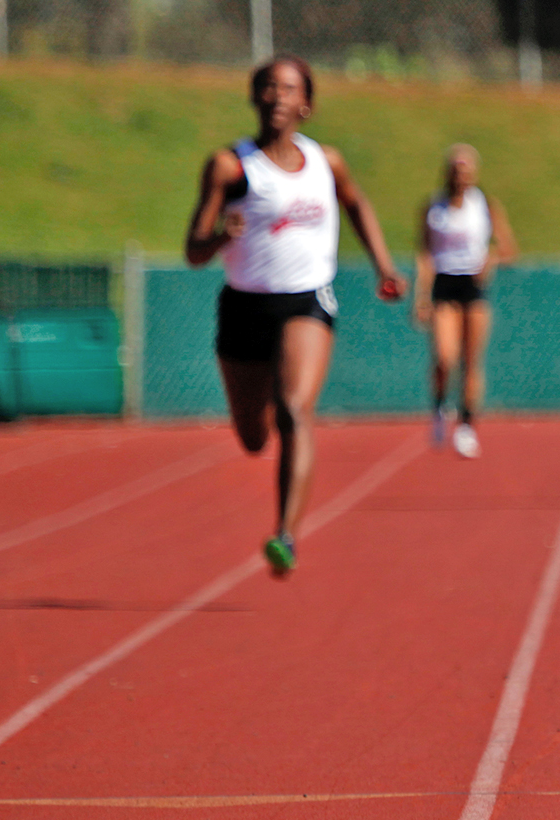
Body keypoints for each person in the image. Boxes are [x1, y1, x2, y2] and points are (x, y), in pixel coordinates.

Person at [184, 55, 407, 576]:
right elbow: (193, 250)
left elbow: (357, 205)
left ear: (306, 104)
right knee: (255, 436)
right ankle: (264, 422)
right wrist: (221, 236)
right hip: (243, 306)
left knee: (294, 410)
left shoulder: (327, 162)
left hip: (306, 300)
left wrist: (383, 265)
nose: (277, 96)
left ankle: (286, 534)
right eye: (267, 86)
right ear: (254, 97)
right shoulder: (230, 166)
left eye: (288, 88)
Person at [415, 144, 517, 458]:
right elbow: (425, 254)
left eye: (467, 171)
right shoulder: (433, 207)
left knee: (471, 361)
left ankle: (467, 426)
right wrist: (421, 296)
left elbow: (509, 248)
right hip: (445, 284)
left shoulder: (485, 205)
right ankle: (439, 407)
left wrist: (491, 260)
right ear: (447, 172)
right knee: (445, 357)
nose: (462, 177)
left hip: (473, 286)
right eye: (457, 170)